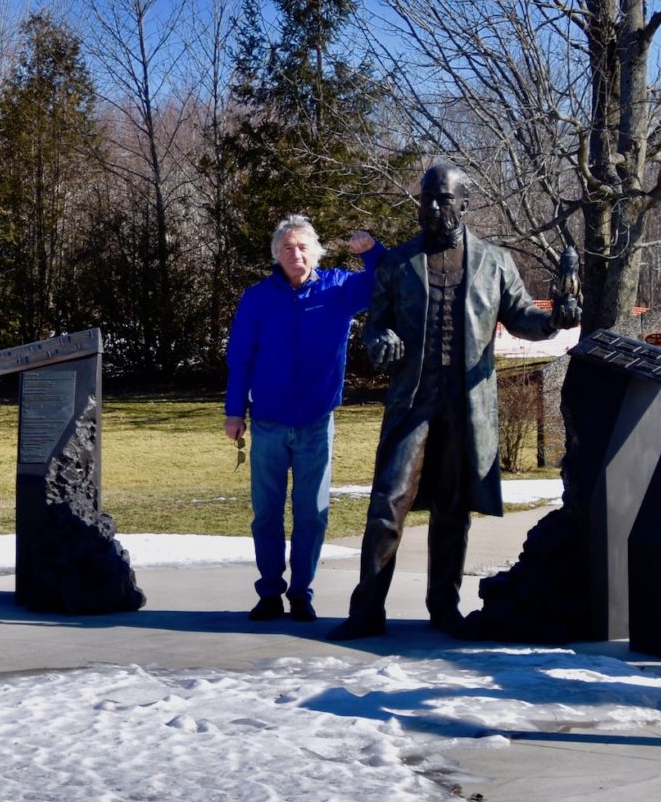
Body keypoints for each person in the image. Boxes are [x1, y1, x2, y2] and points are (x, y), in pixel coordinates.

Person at [327, 164, 579, 641]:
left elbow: (521, 315)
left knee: (452, 508)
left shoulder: (494, 262)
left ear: (464, 204)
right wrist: (380, 340)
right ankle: (367, 611)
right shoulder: (398, 262)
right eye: (427, 197)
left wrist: (552, 323)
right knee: (387, 504)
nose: (433, 206)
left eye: (443, 198)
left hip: (465, 405)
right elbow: (375, 324)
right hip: (413, 401)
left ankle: (444, 607)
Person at [225, 214, 378, 622]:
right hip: (268, 423)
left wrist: (371, 252)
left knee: (312, 513)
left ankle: (301, 593)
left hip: (316, 422)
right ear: (276, 254)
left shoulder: (338, 288)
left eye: (303, 246)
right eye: (288, 248)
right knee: (266, 514)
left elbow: (383, 282)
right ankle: (270, 592)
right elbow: (240, 358)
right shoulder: (257, 298)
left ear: (316, 251)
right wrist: (234, 411)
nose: (296, 254)